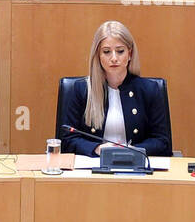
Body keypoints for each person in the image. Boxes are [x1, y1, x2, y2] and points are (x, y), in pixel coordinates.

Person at [57, 20, 171, 156]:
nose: (114, 58)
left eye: (120, 51)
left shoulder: (150, 90)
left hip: (137, 166)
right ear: (98, 56)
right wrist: (97, 148)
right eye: (106, 52)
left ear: (130, 54)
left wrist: (131, 150)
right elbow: (66, 140)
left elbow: (162, 141)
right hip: (93, 167)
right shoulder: (81, 89)